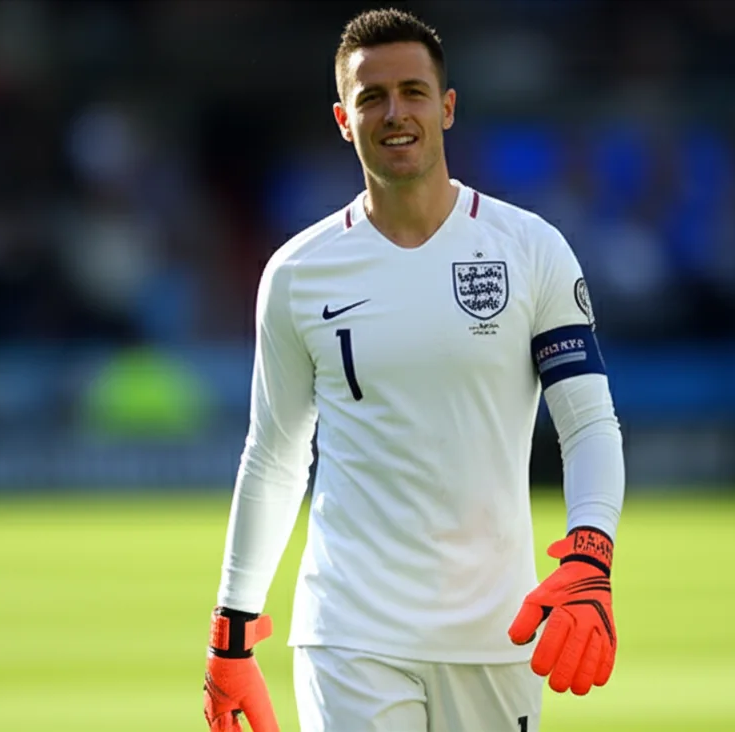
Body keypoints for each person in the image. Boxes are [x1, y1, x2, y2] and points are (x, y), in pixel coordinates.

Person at [202, 8, 625, 732]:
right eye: (371, 97)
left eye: (413, 92)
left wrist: (591, 554)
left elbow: (588, 421)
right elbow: (273, 455)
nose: (394, 113)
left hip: (499, 632)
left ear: (447, 107)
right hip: (350, 632)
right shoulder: (298, 273)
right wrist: (233, 631)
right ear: (343, 118)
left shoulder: (531, 248)